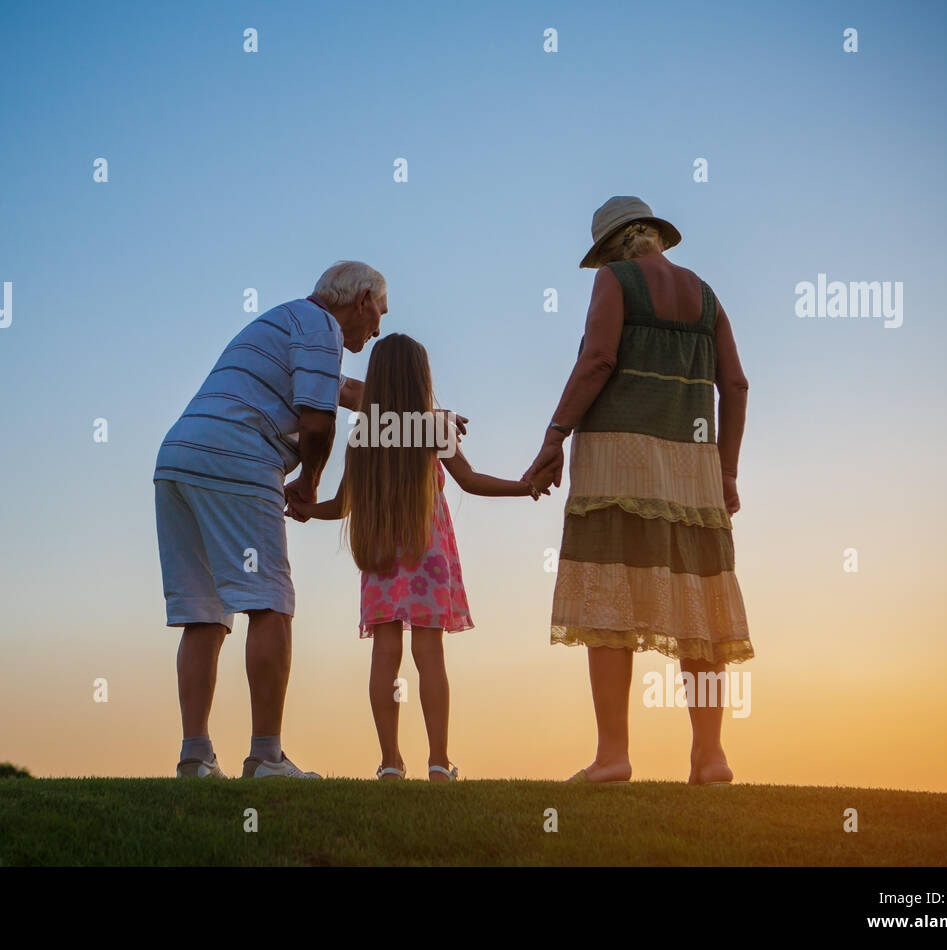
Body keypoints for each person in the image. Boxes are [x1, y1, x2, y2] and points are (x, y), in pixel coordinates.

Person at [522, 196, 753, 785]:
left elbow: (598, 359)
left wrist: (554, 435)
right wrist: (725, 471)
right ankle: (710, 757)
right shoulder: (708, 294)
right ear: (655, 237)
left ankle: (613, 756)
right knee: (699, 603)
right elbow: (736, 384)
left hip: (618, 456)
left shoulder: (614, 280)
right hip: (694, 464)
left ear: (613, 246)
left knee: (609, 599)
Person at [154, 260, 385, 779]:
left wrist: (431, 419)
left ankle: (195, 757)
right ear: (363, 298)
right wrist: (308, 484)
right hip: (238, 459)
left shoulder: (288, 321)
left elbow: (352, 395)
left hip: (177, 461)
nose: (379, 329)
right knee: (270, 601)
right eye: (379, 314)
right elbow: (319, 421)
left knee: (203, 611)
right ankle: (266, 757)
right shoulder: (323, 328)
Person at [290, 333, 544, 781]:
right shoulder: (431, 428)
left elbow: (341, 506)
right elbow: (470, 480)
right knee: (431, 656)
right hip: (429, 559)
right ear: (420, 378)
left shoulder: (363, 434)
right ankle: (439, 762)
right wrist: (524, 487)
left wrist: (307, 511)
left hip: (380, 555)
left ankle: (390, 762)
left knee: (385, 655)